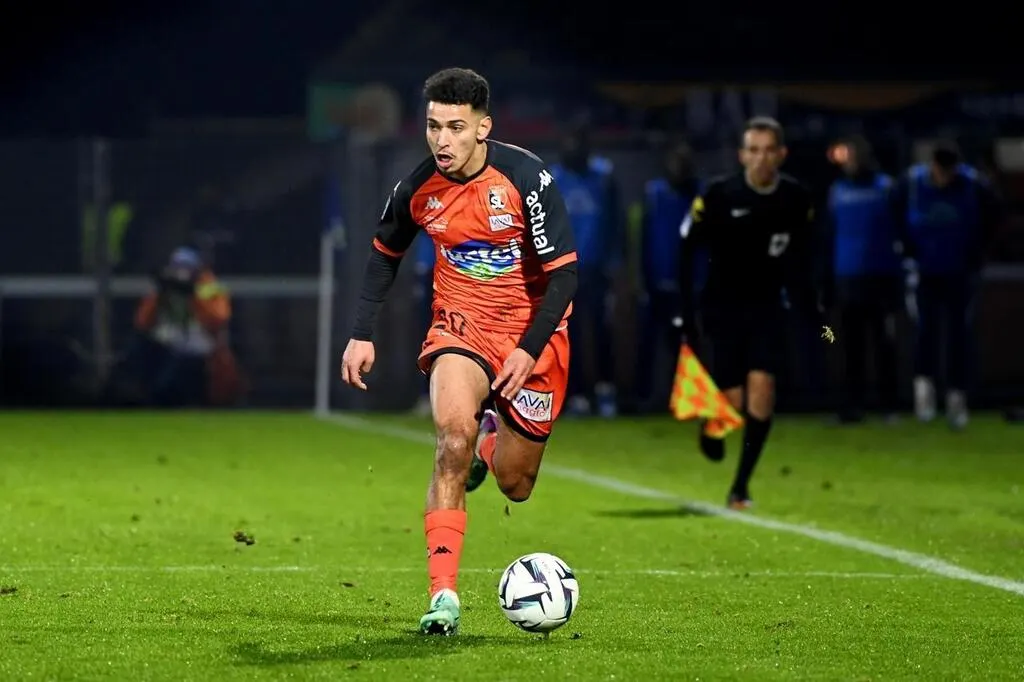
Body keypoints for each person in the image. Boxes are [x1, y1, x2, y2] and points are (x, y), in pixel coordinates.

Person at [339, 67, 578, 636]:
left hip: (534, 336)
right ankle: (442, 597)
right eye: (432, 126)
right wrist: (361, 331)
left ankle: (489, 438)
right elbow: (383, 254)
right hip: (460, 329)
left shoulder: (526, 178)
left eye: (455, 127)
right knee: (450, 441)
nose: (441, 140)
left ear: (482, 128)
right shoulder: (418, 188)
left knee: (516, 484)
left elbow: (565, 276)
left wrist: (529, 348)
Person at [677, 116, 829, 510]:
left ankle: (740, 487)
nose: (761, 158)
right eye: (754, 150)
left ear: (782, 154)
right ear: (742, 155)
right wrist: (685, 310)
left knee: (762, 391)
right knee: (732, 398)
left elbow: (804, 260)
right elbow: (687, 249)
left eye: (769, 150)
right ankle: (712, 426)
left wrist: (816, 314)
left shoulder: (796, 199)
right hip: (722, 307)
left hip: (768, 307)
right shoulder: (719, 195)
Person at [890, 140, 1001, 429]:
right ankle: (924, 397)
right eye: (941, 172)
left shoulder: (973, 184)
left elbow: (994, 217)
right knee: (925, 332)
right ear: (933, 166)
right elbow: (893, 216)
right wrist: (906, 251)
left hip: (959, 273)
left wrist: (978, 254)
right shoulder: (912, 183)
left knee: (958, 334)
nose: (945, 179)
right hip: (924, 273)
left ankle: (956, 399)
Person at [824, 135, 902, 423]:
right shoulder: (837, 191)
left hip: (882, 276)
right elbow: (829, 234)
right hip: (847, 278)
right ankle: (851, 407)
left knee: (883, 344)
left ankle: (888, 407)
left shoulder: (887, 187)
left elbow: (901, 227)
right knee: (850, 346)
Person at [549, 122, 623, 417]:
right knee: (569, 333)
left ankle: (606, 391)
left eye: (578, 142)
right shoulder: (552, 179)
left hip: (597, 269)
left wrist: (615, 264)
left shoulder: (604, 177)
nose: (573, 148)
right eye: (568, 142)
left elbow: (616, 225)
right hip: (562, 271)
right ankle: (575, 393)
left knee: (603, 330)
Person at [636, 140, 703, 412]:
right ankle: (647, 397)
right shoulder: (654, 194)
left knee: (687, 343)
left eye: (684, 162)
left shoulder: (700, 196)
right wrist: (643, 278)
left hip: (690, 283)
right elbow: (644, 238)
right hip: (658, 282)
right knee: (651, 342)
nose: (679, 168)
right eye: (675, 161)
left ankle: (689, 398)